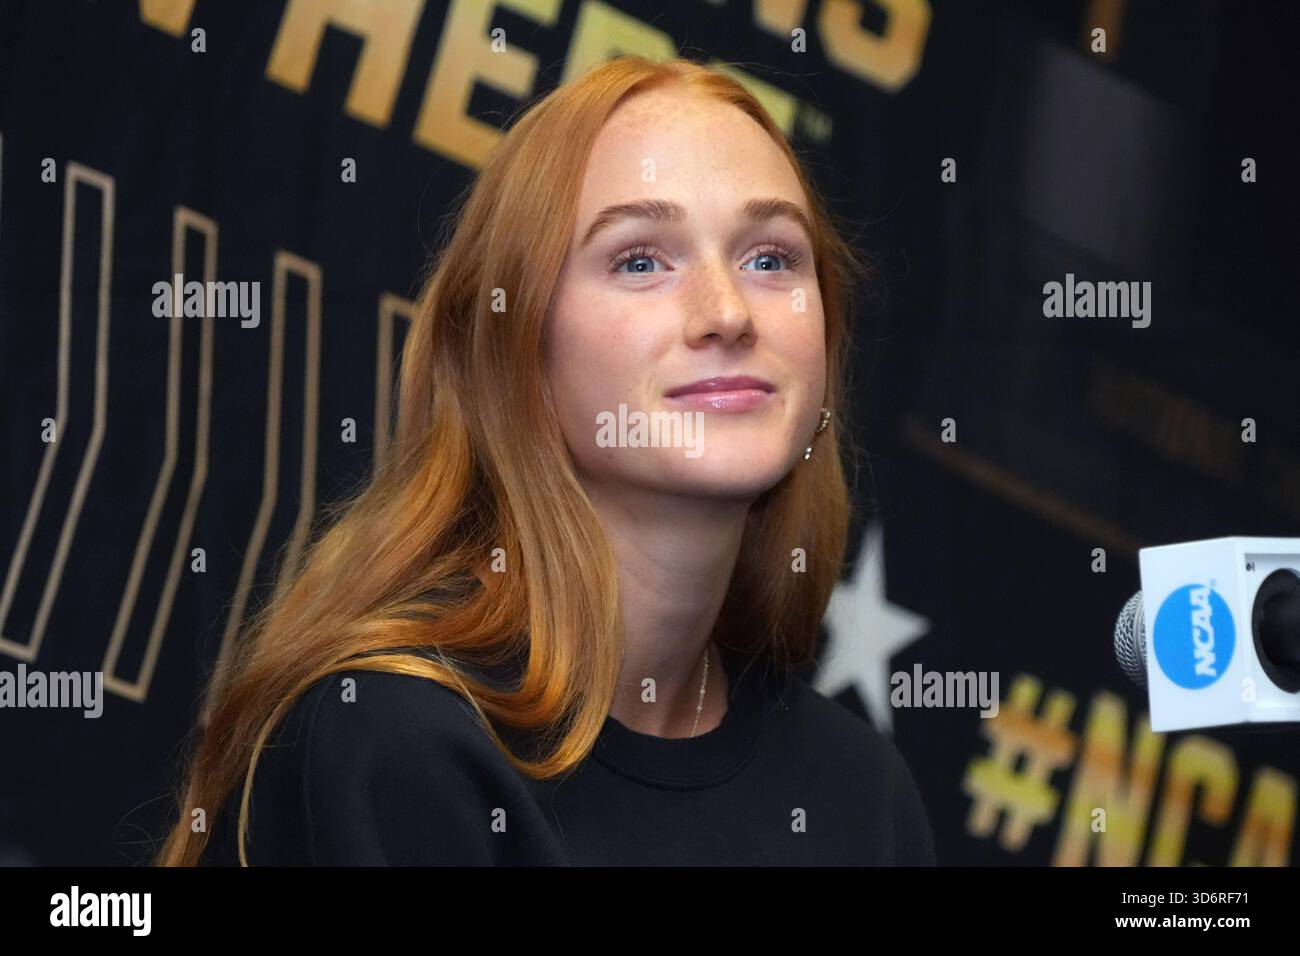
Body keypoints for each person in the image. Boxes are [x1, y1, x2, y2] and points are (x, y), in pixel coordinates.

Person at [154, 54, 936, 867]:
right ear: (518, 351)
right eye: (641, 260)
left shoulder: (861, 798)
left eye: (770, 258)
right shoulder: (393, 738)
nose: (728, 312)